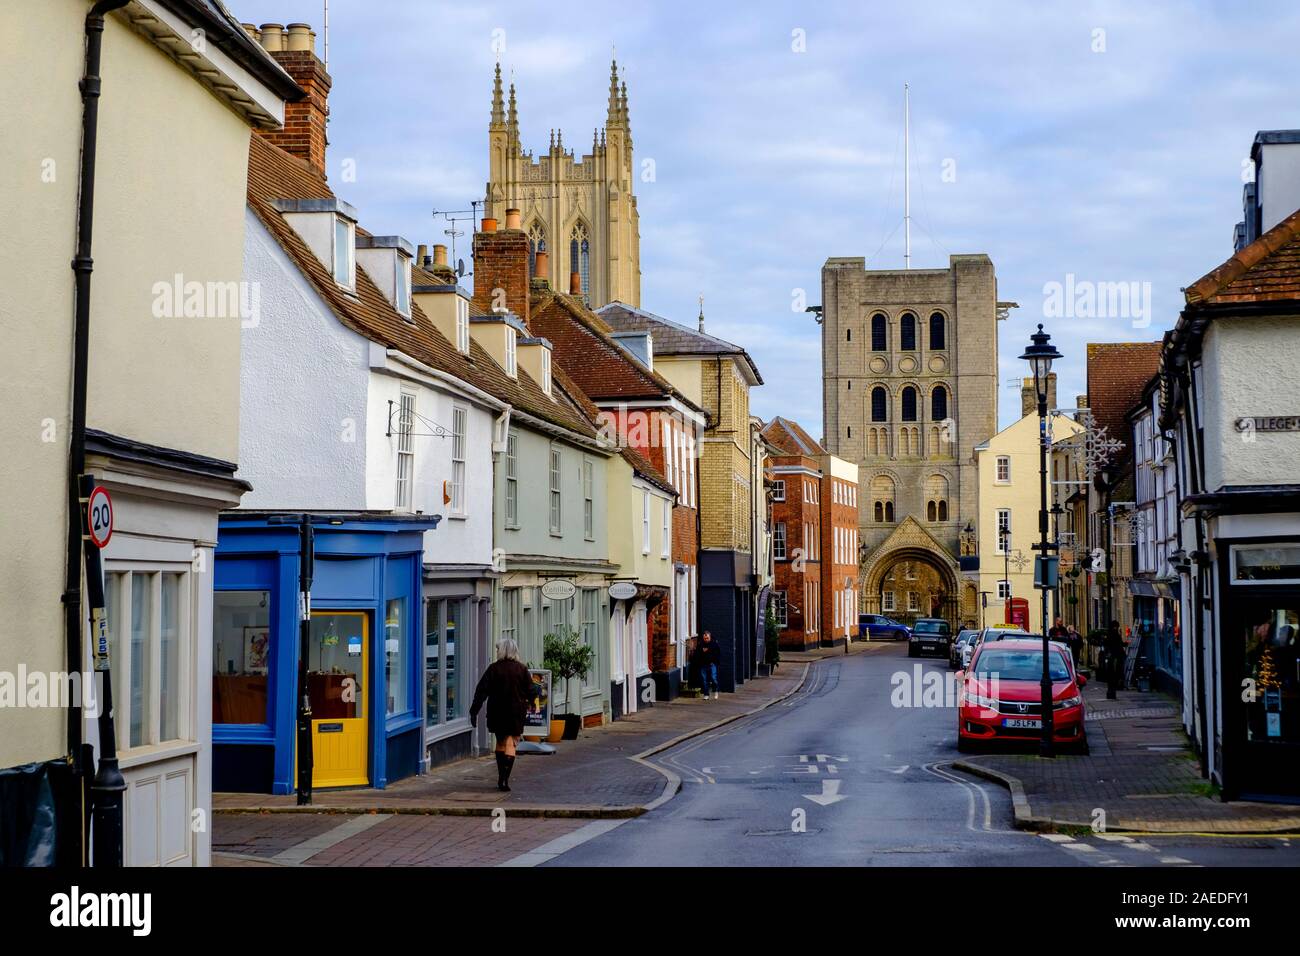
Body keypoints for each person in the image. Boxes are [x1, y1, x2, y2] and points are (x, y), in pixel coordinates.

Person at [469, 639, 534, 792]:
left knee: (500, 742)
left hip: (497, 711)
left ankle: (500, 777)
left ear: (501, 651)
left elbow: (481, 691)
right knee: (511, 743)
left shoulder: (493, 669)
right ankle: (504, 780)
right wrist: (532, 703)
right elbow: (531, 690)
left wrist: (474, 711)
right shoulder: (522, 669)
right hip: (516, 711)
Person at [694, 630, 721, 700]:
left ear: (710, 637)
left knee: (713, 678)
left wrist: (714, 661)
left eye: (707, 638)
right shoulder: (700, 644)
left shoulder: (714, 644)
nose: (706, 640)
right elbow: (697, 654)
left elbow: (717, 654)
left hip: (712, 664)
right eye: (704, 638)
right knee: (704, 680)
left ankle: (715, 691)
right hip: (703, 664)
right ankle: (706, 694)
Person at [1104, 620, 1125, 700]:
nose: (1116, 628)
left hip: (1112, 657)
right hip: (1115, 657)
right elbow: (1118, 644)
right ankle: (1112, 693)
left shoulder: (1109, 634)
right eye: (1116, 626)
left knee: (1111, 677)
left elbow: (1107, 644)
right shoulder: (1115, 635)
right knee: (1114, 675)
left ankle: (1111, 693)